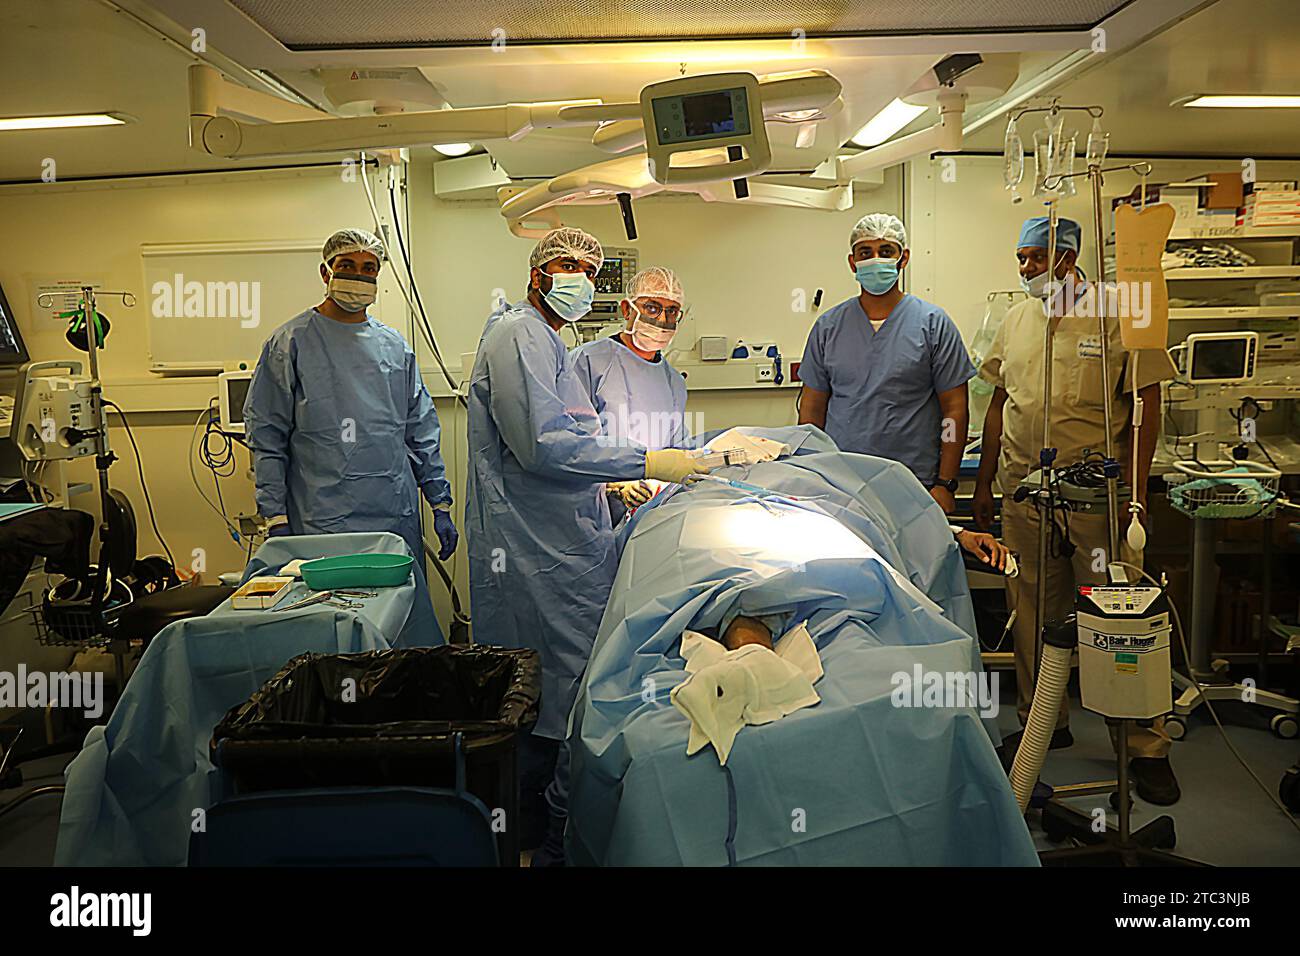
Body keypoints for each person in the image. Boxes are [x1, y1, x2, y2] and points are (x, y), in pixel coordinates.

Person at [464, 226, 707, 860]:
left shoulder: (547, 338)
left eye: (589, 269)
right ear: (539, 271)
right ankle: (544, 836)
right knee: (563, 690)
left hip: (567, 539)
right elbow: (545, 445)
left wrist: (648, 473)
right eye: (567, 264)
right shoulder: (520, 335)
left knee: (558, 685)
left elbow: (572, 437)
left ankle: (542, 827)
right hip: (537, 547)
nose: (579, 277)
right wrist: (640, 462)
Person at [972, 215, 1181, 805]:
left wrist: (1135, 495)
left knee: (1120, 617)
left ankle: (1145, 743)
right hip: (1025, 494)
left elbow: (1146, 404)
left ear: (1067, 256)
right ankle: (1046, 724)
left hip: (1097, 498)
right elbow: (997, 404)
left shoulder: (1120, 312)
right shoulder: (1017, 319)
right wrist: (986, 482)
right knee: (1033, 608)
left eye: (1036, 258)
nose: (1026, 269)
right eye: (1021, 257)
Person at [244, 228, 458, 569]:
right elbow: (268, 436)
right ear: (325, 272)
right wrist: (275, 515)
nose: (358, 275)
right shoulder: (290, 343)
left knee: (394, 612)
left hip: (392, 516)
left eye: (368, 267)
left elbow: (420, 432)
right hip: (321, 520)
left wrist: (439, 503)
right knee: (331, 614)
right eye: (347, 264)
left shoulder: (394, 347)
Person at [798, 212, 976, 513]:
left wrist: (946, 483)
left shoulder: (932, 324)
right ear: (852, 262)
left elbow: (954, 410)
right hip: (842, 482)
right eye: (865, 252)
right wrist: (810, 473)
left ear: (903, 259)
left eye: (886, 251)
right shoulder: (829, 327)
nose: (875, 259)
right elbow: (812, 410)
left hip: (915, 482)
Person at [570, 265, 689, 519]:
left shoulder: (674, 382)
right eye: (652, 308)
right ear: (627, 309)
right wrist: (612, 483)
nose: (661, 319)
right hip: (589, 513)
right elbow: (567, 444)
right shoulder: (588, 362)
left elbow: (677, 450)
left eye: (672, 311)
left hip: (651, 511)